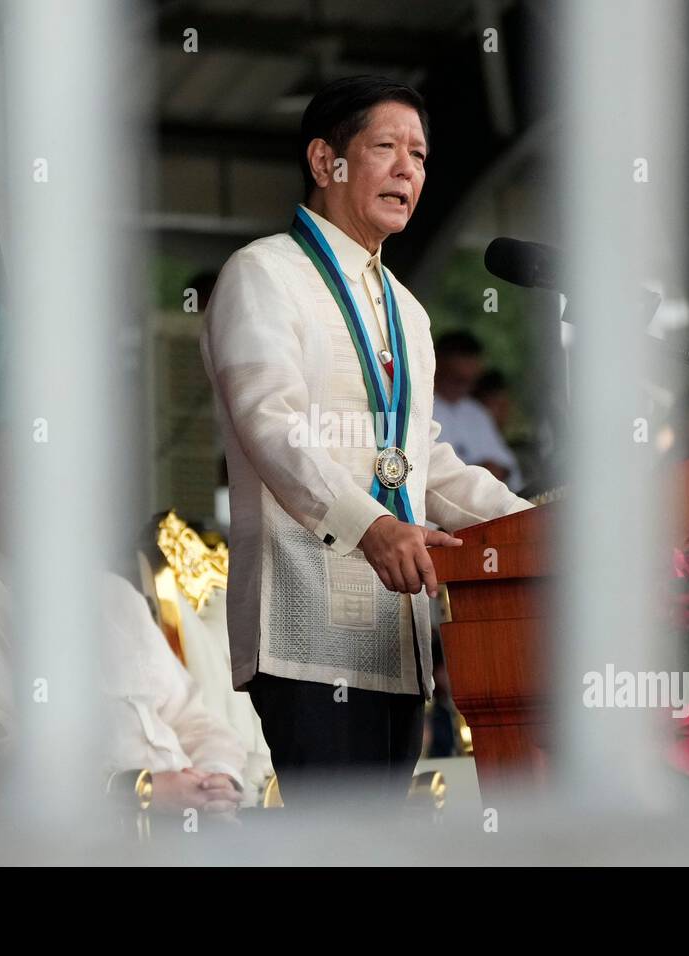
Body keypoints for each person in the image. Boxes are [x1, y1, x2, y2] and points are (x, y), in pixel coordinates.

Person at [201, 75, 533, 809]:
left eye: (420, 154)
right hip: (306, 628)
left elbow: (420, 461)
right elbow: (270, 424)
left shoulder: (407, 310)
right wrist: (372, 526)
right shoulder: (263, 274)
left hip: (397, 631)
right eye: (386, 147)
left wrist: (531, 523)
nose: (408, 168)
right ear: (327, 162)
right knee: (334, 846)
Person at [0, 430, 248, 816]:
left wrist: (217, 778)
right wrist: (137, 793)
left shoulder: (114, 595)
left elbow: (192, 715)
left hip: (197, 817)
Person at [432, 331, 524, 491]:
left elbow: (507, 465)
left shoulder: (477, 413)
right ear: (438, 365)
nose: (463, 386)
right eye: (456, 379)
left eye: (469, 381)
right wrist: (476, 471)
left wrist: (499, 470)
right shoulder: (421, 408)